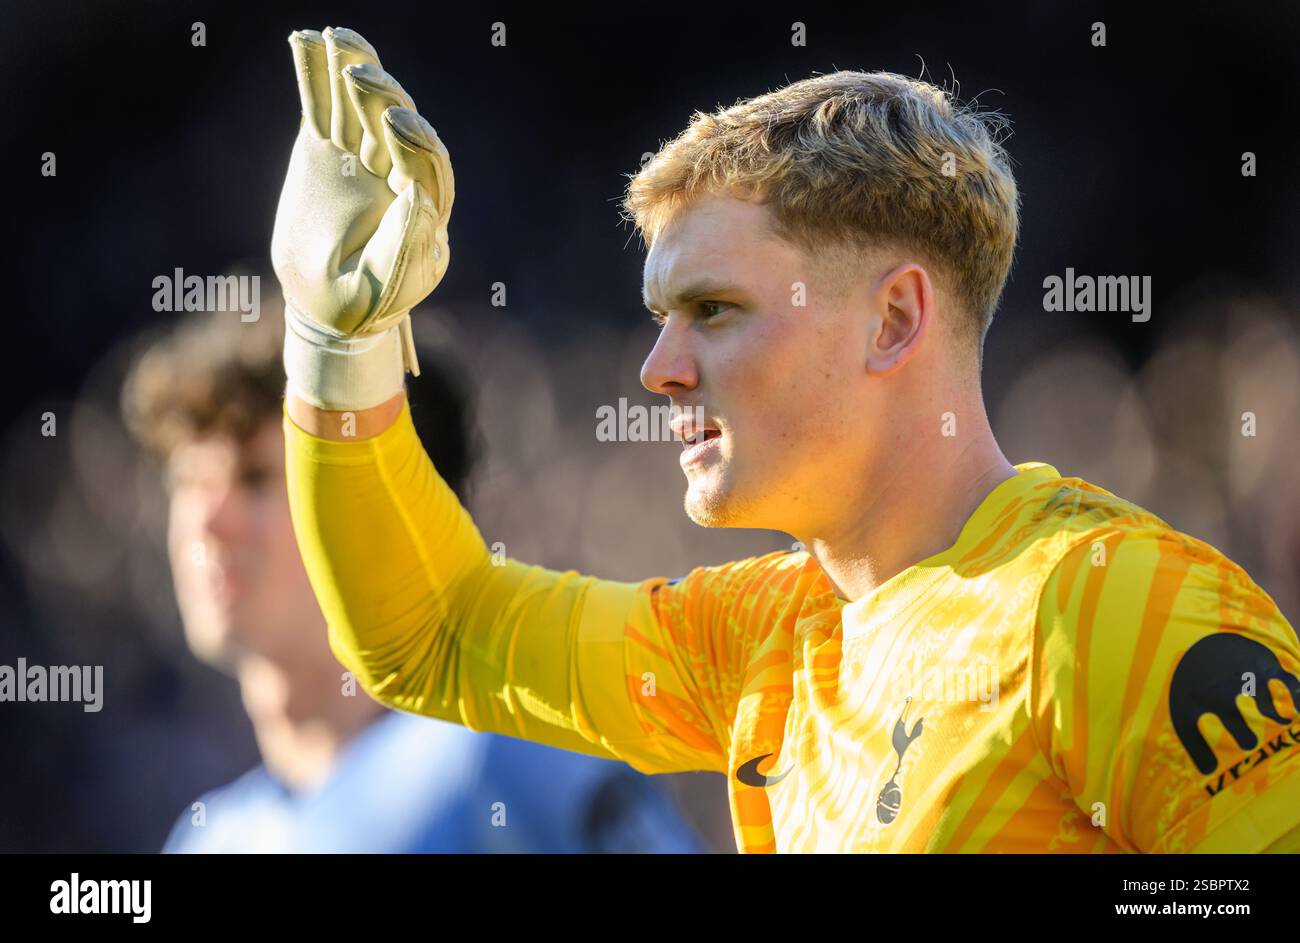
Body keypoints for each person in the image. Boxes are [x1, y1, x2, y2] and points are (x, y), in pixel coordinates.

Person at [272, 26, 1300, 852]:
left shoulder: (1115, 601)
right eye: (660, 315)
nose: (658, 368)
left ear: (893, 319)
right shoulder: (763, 640)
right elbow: (431, 636)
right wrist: (335, 343)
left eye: (714, 309)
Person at [121, 305, 710, 853]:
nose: (206, 519)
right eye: (187, 482)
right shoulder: (206, 840)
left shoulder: (509, 753)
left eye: (254, 479)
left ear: (386, 507)